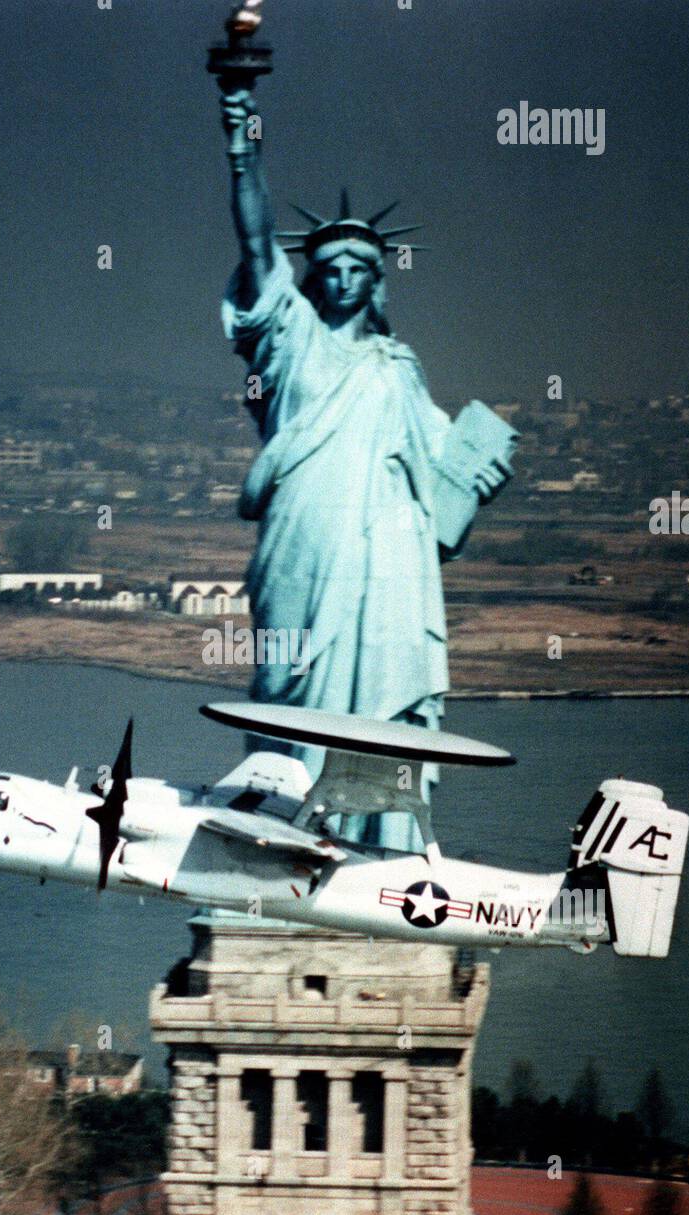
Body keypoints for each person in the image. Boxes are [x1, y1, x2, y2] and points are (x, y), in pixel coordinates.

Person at [219, 89, 517, 849]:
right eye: (329, 264)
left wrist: (479, 470)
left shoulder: (395, 367)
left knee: (381, 695)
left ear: (376, 279)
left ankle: (383, 851)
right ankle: (279, 843)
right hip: (302, 543)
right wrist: (240, 141)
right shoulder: (287, 338)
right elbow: (256, 246)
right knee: (287, 694)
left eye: (360, 265)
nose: (344, 276)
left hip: (385, 555)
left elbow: (441, 466)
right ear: (309, 277)